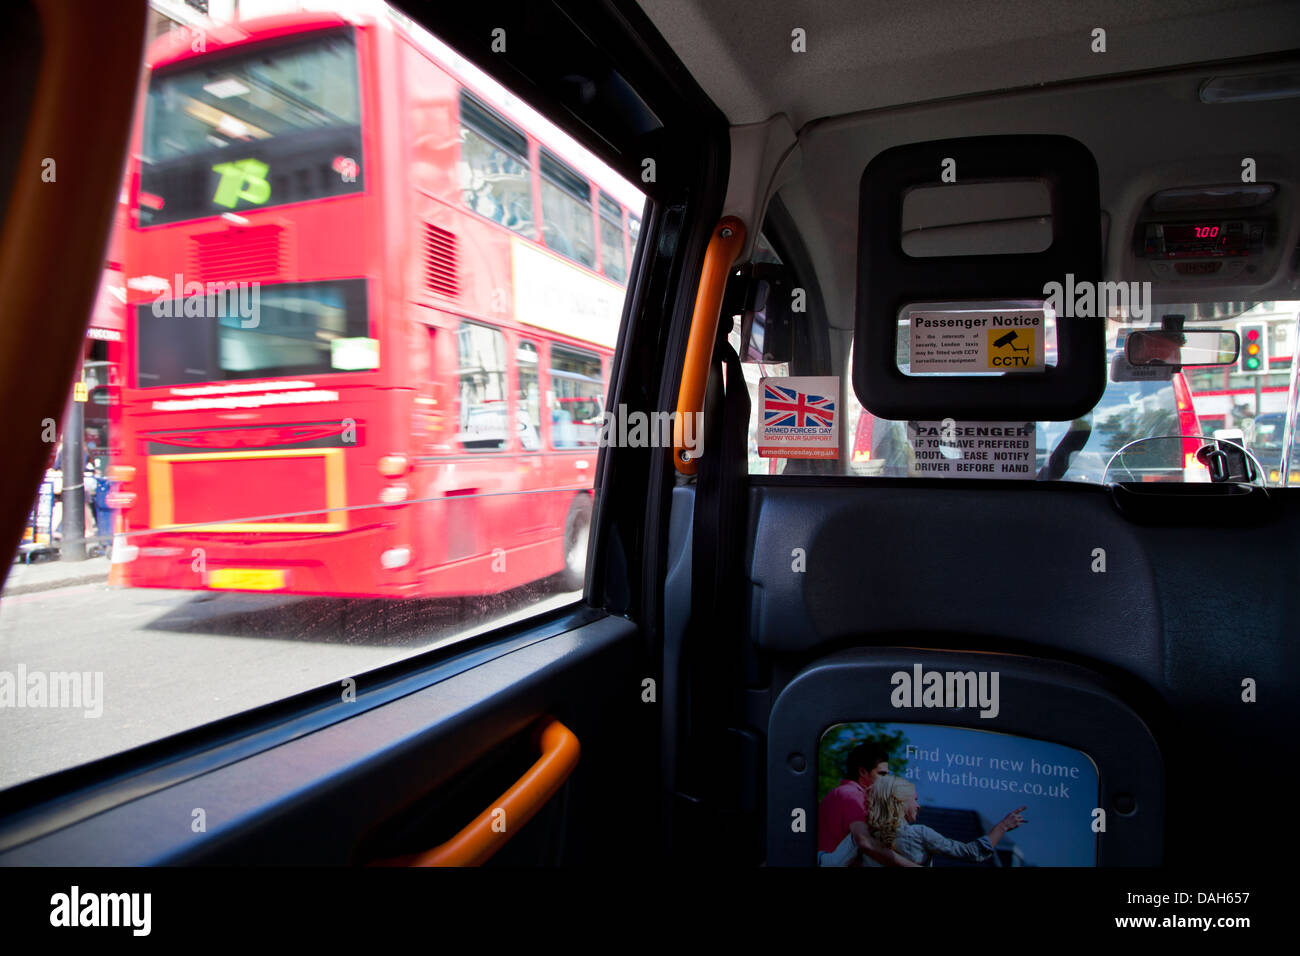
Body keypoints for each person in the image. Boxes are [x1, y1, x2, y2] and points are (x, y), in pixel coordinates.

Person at [848, 775, 1027, 867]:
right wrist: (1003, 826)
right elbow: (972, 853)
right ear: (899, 802)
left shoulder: (864, 836)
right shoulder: (920, 834)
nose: (918, 806)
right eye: (915, 799)